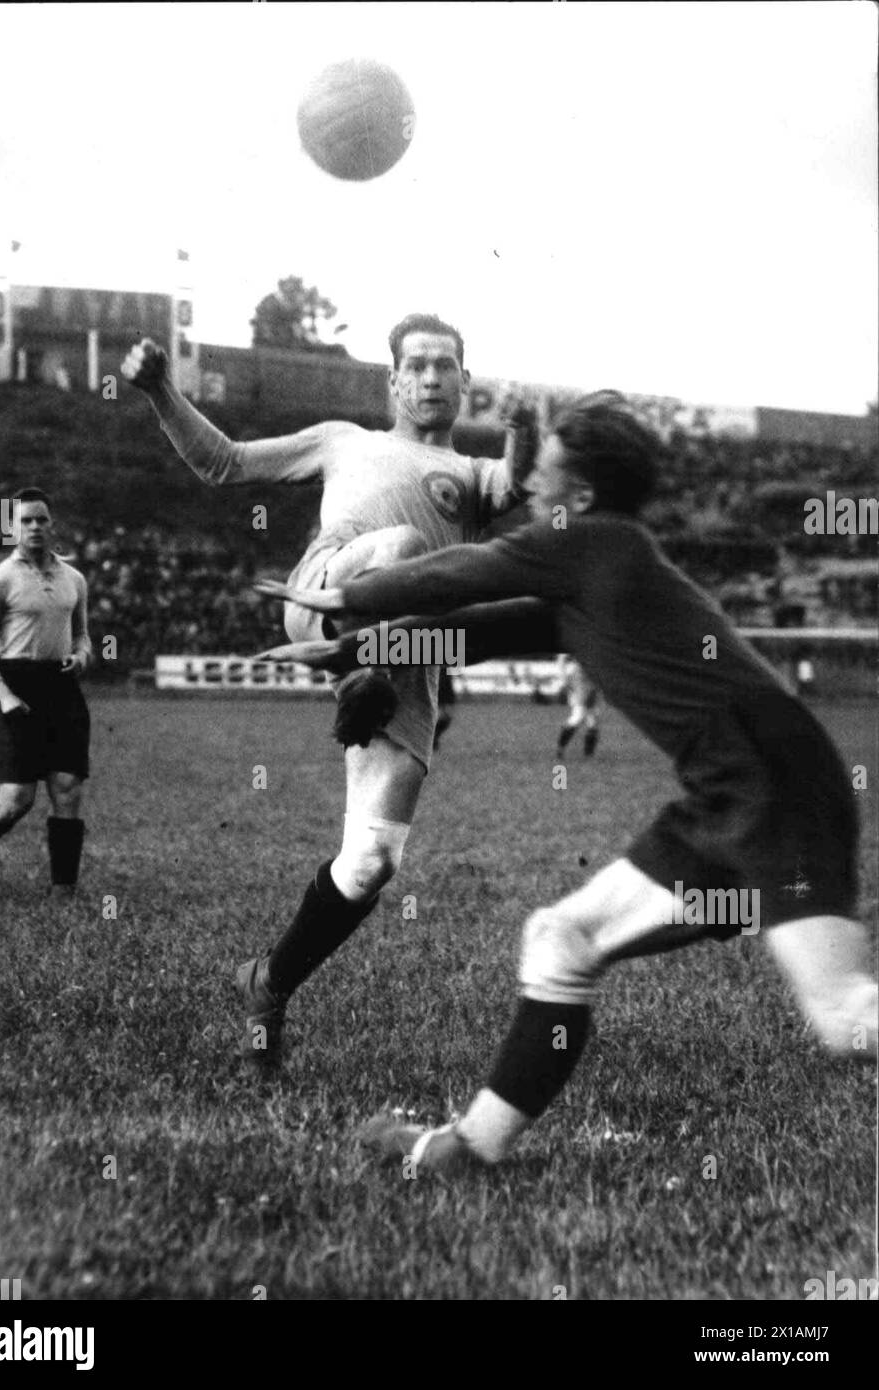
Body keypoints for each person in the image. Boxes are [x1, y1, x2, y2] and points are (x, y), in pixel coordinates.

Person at [263, 390, 877, 1169]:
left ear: (580, 497)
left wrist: (343, 598)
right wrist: (349, 651)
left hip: (778, 790)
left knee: (842, 1016)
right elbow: (479, 629)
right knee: (562, 940)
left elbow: (467, 572)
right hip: (730, 794)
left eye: (545, 477)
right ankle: (464, 1152)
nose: (530, 492)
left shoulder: (590, 543)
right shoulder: (590, 570)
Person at [122, 317, 533, 1067]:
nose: (434, 377)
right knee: (405, 550)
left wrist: (524, 430)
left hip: (407, 657)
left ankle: (269, 982)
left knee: (374, 862)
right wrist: (158, 390)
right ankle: (360, 666)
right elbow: (224, 462)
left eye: (448, 365)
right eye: (419, 364)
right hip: (325, 592)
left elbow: (519, 478)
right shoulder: (345, 440)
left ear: (466, 381)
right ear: (395, 381)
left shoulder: (473, 475)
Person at [0, 488, 92, 897]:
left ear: (52, 525)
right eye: (26, 520)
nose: (34, 526)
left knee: (67, 787)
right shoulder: (0, 580)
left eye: (41, 519)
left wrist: (83, 656)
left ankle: (63, 888)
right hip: (13, 687)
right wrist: (3, 693)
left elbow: (83, 634)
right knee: (17, 797)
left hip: (61, 686)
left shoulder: (75, 579)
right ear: (12, 528)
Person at [555, 656, 600, 759]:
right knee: (578, 717)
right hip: (582, 685)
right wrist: (564, 679)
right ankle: (561, 748)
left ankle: (588, 754)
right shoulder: (578, 667)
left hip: (591, 685)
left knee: (592, 722)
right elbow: (561, 658)